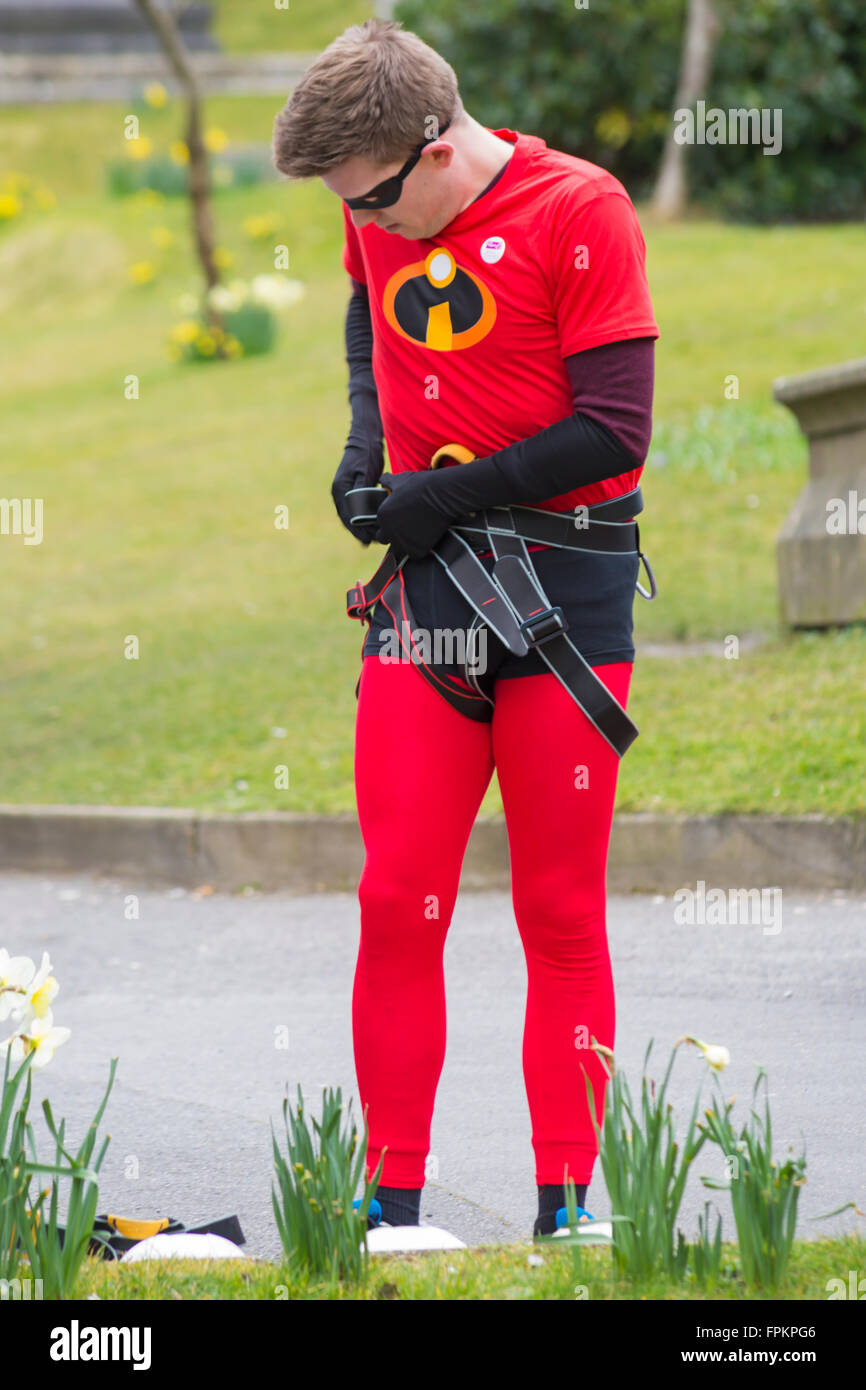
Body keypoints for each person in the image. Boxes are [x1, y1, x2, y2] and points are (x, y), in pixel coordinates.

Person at [272, 17, 659, 1239]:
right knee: (396, 899)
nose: (366, 224)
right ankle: (390, 1204)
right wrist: (358, 449)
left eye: (376, 200)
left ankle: (566, 1205)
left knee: (558, 906)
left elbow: (614, 430)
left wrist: (440, 490)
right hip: (426, 602)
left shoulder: (580, 209)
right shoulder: (373, 204)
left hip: (561, 605)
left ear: (435, 149)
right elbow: (363, 310)